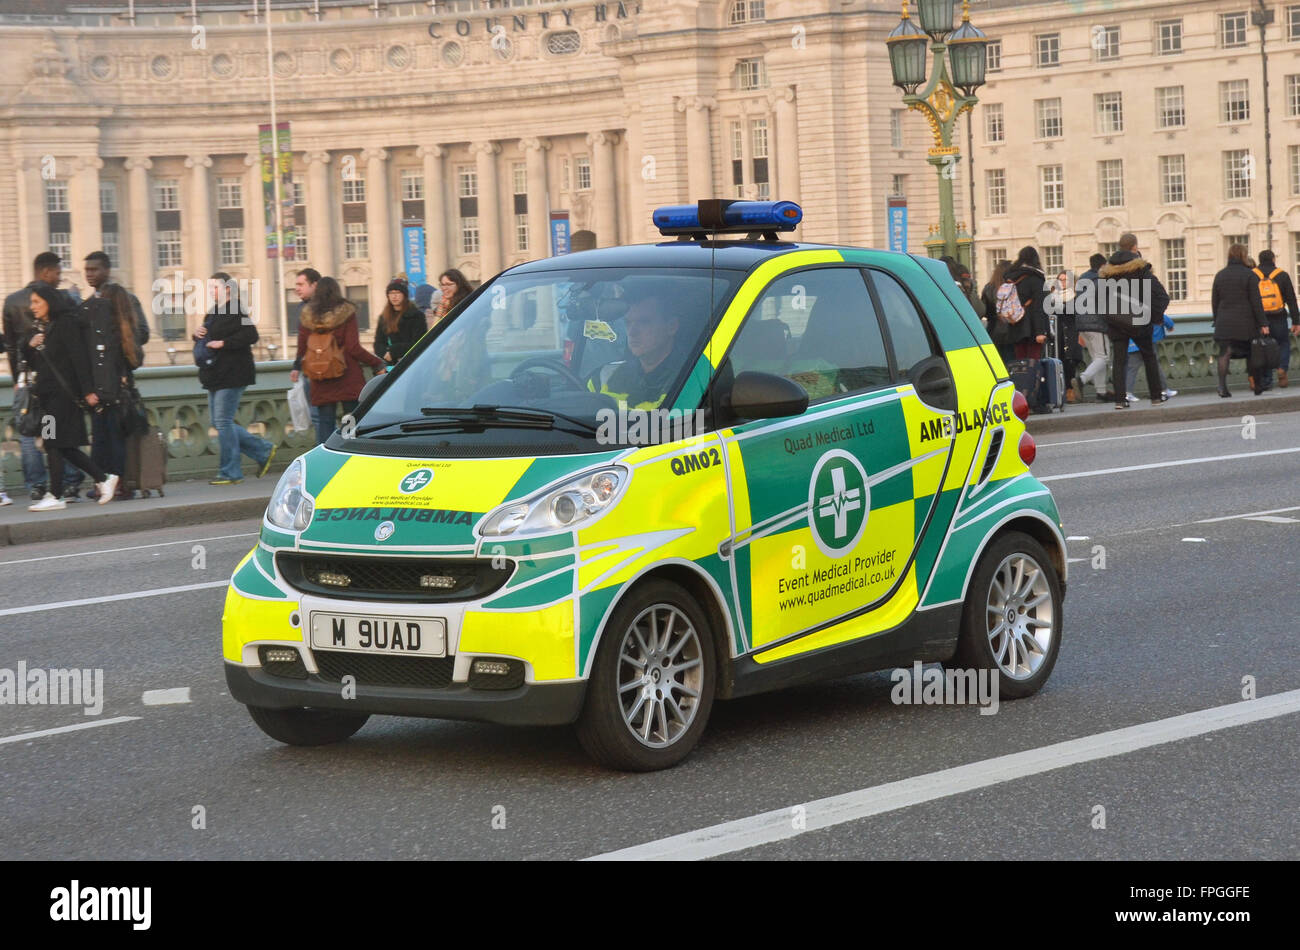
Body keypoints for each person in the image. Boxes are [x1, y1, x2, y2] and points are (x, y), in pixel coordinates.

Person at [23, 284, 118, 511]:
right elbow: (39, 363)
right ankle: (103, 478)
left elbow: (79, 359)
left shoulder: (65, 324)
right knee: (60, 445)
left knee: (54, 443)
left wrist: (88, 391)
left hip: (62, 397)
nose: (32, 306)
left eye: (36, 302)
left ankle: (55, 495)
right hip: (47, 397)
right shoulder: (47, 327)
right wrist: (31, 346)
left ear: (49, 301)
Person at [81, 251, 149, 499]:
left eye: (94, 269)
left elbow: (142, 332)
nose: (90, 274)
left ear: (107, 271)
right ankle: (103, 481)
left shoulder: (125, 299)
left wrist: (116, 349)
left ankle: (121, 482)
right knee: (99, 437)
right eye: (87, 269)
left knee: (117, 435)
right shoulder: (88, 304)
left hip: (118, 379)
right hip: (96, 382)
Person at [196, 273, 275, 485]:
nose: (211, 291)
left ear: (228, 289)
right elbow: (208, 338)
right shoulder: (213, 312)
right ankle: (263, 450)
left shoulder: (236, 309)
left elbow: (251, 336)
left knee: (222, 421)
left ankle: (231, 472)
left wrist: (224, 343)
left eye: (215, 287)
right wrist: (198, 334)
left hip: (233, 372)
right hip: (216, 373)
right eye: (210, 287)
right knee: (220, 421)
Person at [295, 276, 387, 444]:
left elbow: (302, 348)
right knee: (350, 419)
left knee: (324, 422)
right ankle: (347, 450)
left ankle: (324, 458)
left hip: (319, 375)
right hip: (346, 374)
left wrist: (296, 368)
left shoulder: (307, 316)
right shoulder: (346, 313)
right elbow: (353, 348)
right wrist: (376, 363)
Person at [4, 251, 64, 500]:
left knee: (29, 430)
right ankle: (65, 482)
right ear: (46, 272)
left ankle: (37, 484)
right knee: (53, 429)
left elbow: (9, 345)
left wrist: (17, 377)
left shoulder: (12, 301)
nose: (59, 278)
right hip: (52, 378)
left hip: (26, 378)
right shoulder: (58, 299)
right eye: (58, 273)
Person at [1098, 233, 1170, 409]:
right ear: (1135, 248)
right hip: (1140, 320)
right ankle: (1155, 396)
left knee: (1119, 361)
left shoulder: (1107, 273)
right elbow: (1162, 297)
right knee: (1149, 357)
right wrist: (1155, 317)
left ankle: (1120, 400)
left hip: (1116, 321)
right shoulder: (1141, 270)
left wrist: (1109, 319)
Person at [586, 292, 682, 410]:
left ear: (671, 326)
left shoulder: (690, 380)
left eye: (644, 322)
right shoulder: (604, 376)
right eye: (628, 323)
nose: (632, 332)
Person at [1211, 244, 1270, 397]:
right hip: (1246, 322)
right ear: (1244, 256)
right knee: (1252, 353)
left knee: (1225, 353)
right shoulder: (1249, 275)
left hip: (1224, 322)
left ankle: (1222, 387)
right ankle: (1257, 385)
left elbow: (1215, 302)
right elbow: (1256, 302)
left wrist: (1216, 320)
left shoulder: (1220, 275)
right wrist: (1263, 323)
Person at [1253, 250, 1300, 389]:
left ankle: (1267, 380)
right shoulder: (1282, 275)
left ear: (1259, 260)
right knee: (1283, 343)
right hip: (1279, 316)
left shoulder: (1253, 275)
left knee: (1263, 347)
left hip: (1261, 319)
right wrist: (1296, 321)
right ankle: (1282, 368)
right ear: (1273, 259)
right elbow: (1291, 300)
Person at [1073, 254, 1114, 402]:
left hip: (1082, 324)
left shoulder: (1082, 279)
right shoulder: (1100, 280)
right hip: (1096, 324)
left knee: (1097, 358)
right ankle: (1081, 380)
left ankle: (1101, 392)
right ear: (1103, 265)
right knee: (1104, 357)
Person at [1002, 246, 1050, 360]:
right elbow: (1039, 307)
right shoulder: (1036, 279)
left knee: (1019, 361)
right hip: (1032, 326)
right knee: (1033, 362)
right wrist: (1040, 331)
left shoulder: (1011, 278)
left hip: (1015, 323)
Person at [1122, 312, 1177, 403]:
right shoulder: (1152, 310)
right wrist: (1169, 326)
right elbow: (1164, 319)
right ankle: (1164, 390)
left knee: (1131, 369)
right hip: (1147, 342)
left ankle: (1127, 393)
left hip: (1133, 343)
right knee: (1155, 366)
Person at [373, 279, 426, 368]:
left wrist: (394, 350)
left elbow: (419, 342)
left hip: (413, 362)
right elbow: (378, 343)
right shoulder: (384, 317)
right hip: (392, 365)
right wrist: (385, 353)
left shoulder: (416, 316)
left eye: (397, 293)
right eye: (391, 293)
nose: (394, 296)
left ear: (404, 295)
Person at [1047, 269, 1082, 402]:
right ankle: (1061, 391)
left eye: (1065, 280)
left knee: (1071, 360)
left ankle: (1070, 390)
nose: (1062, 283)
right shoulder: (1052, 296)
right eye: (1060, 280)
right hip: (1058, 332)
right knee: (1059, 359)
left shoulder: (1077, 295)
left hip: (1073, 330)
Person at [981, 259, 1015, 365]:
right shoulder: (1013, 287)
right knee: (1011, 362)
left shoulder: (988, 287)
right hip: (1012, 329)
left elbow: (984, 311)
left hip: (993, 330)